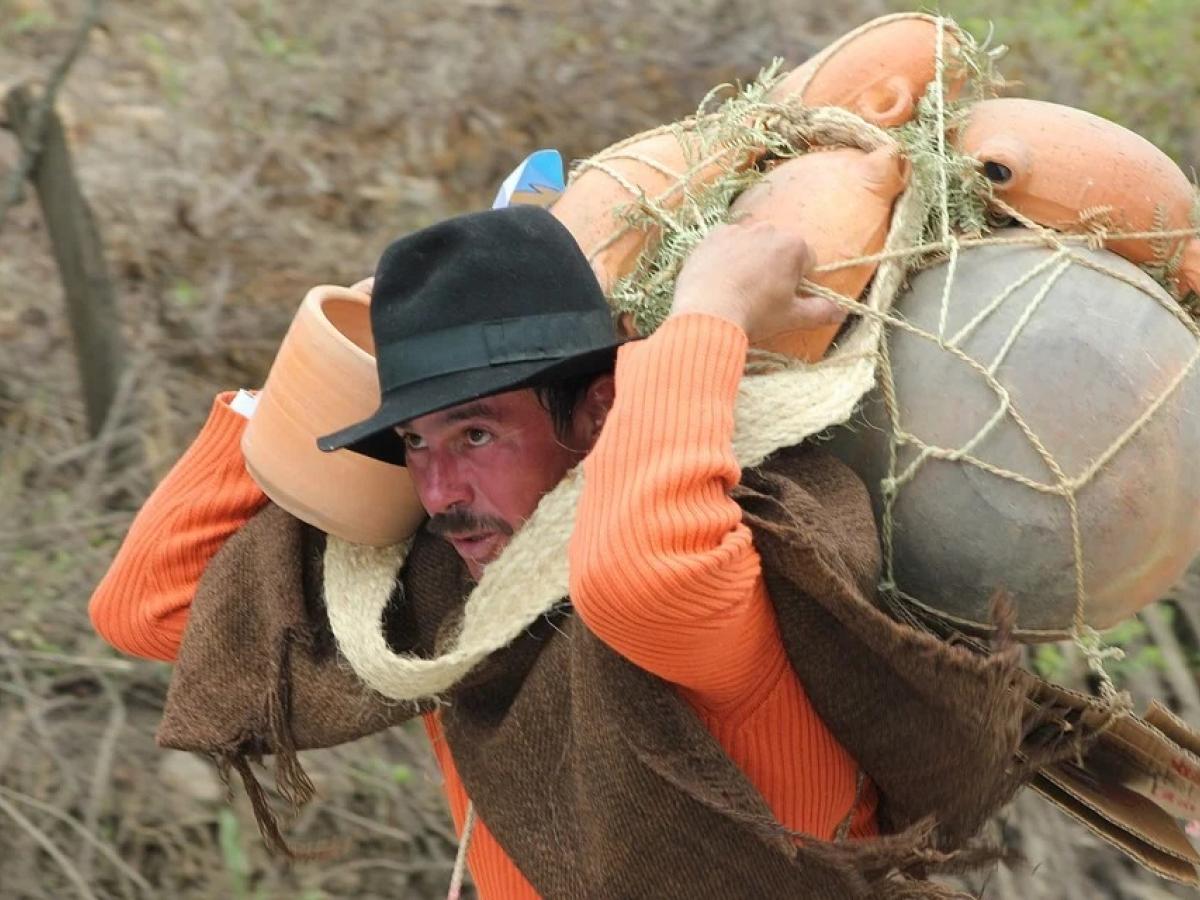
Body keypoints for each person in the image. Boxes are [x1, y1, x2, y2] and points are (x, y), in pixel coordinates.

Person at [90, 206, 1030, 897]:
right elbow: (151, 609)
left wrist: (710, 311)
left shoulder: (727, 555)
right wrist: (303, 385)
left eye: (476, 436)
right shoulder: (443, 606)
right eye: (413, 443)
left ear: (604, 411)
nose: (439, 492)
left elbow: (631, 576)